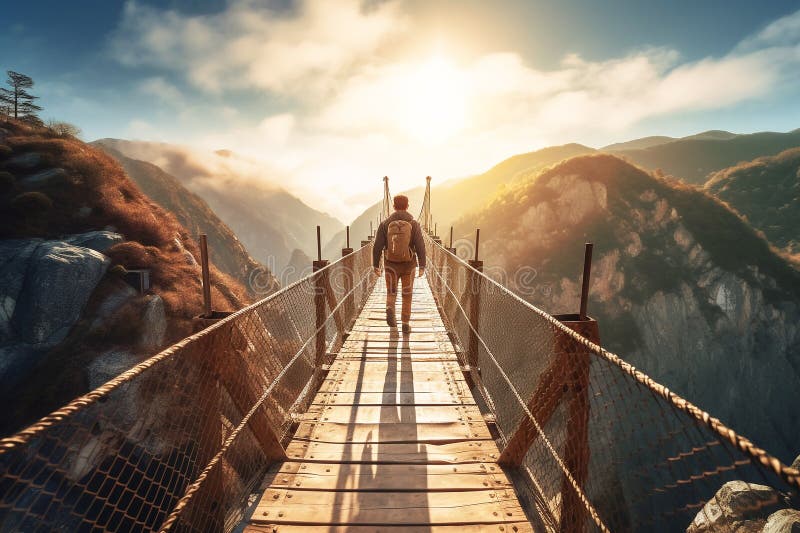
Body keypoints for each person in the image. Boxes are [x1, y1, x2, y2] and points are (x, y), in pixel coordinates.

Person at [372, 194, 426, 334]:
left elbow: (377, 246)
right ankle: (405, 324)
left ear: (394, 206)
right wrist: (422, 266)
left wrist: (375, 265)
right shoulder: (414, 224)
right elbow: (420, 245)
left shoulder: (385, 224)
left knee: (391, 292)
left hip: (390, 264)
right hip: (409, 265)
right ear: (407, 206)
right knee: (407, 294)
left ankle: (390, 308)